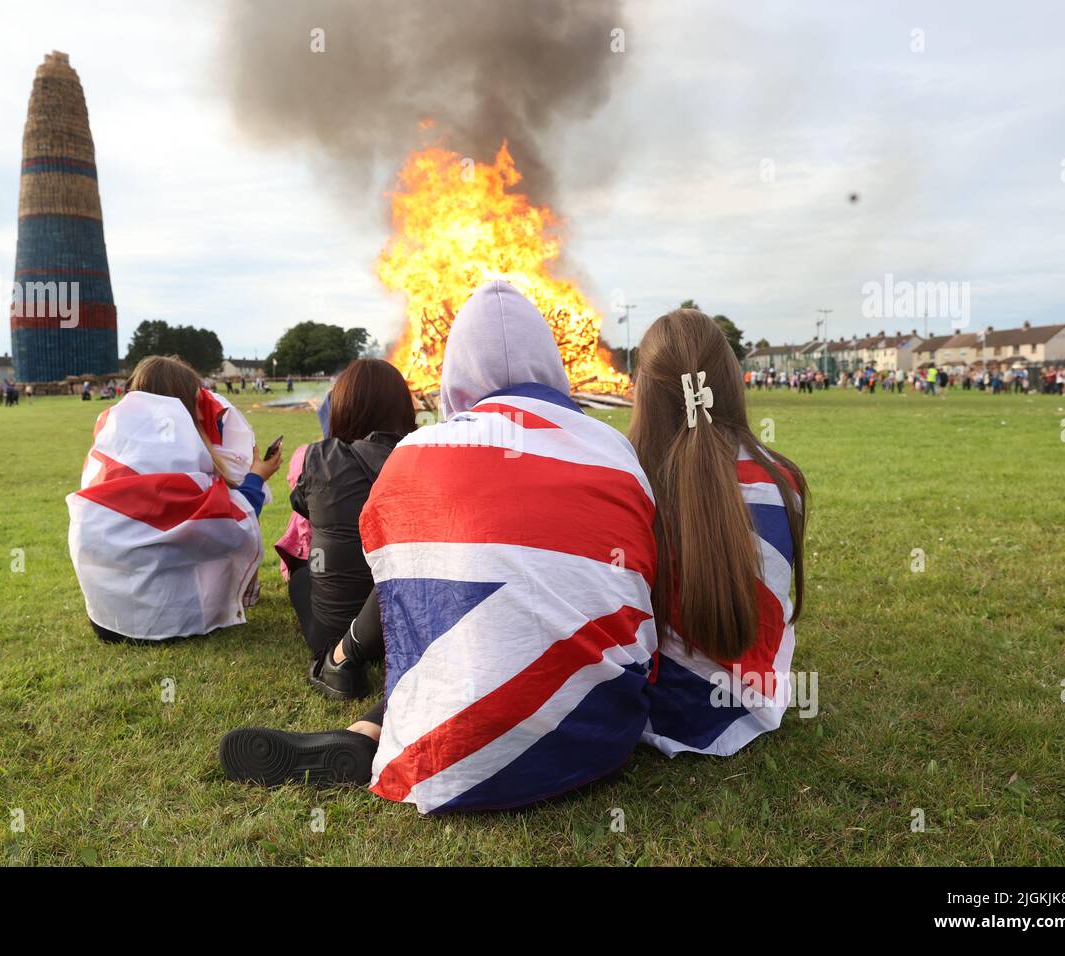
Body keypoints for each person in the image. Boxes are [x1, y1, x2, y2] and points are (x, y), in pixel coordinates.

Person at [221, 280, 657, 813]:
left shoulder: (419, 452)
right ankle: (373, 721)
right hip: (603, 737)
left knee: (440, 609)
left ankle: (367, 721)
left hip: (450, 755)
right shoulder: (614, 449)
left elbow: (406, 602)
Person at [630, 309, 807, 757]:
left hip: (646, 710)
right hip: (753, 704)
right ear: (730, 381)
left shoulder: (627, 481)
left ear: (645, 395)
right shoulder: (783, 478)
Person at [67, 355, 281, 643]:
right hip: (164, 623)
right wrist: (256, 478)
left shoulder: (112, 441)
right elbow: (228, 525)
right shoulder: (176, 454)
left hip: (106, 617)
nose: (203, 413)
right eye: (196, 402)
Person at [283, 359, 416, 701]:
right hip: (408, 629)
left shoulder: (320, 458)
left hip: (331, 632)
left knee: (301, 575)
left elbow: (301, 504)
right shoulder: (423, 456)